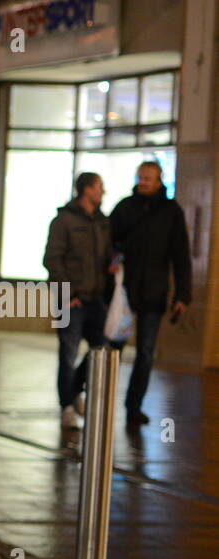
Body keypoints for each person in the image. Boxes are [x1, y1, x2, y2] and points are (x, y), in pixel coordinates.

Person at [108, 161, 191, 426]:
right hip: (124, 292)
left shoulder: (171, 212)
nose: (143, 181)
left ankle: (134, 406)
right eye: (140, 177)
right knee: (112, 347)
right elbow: (108, 244)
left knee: (145, 352)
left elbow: (180, 256)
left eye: (148, 178)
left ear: (159, 180)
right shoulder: (124, 208)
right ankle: (97, 395)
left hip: (154, 294)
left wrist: (183, 295)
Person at [43, 172, 112, 429]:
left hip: (95, 299)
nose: (103, 191)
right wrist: (68, 294)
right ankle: (67, 407)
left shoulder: (102, 222)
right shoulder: (63, 221)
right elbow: (52, 259)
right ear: (87, 190)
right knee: (68, 355)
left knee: (101, 348)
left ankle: (74, 391)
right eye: (99, 187)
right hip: (70, 300)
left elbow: (105, 256)